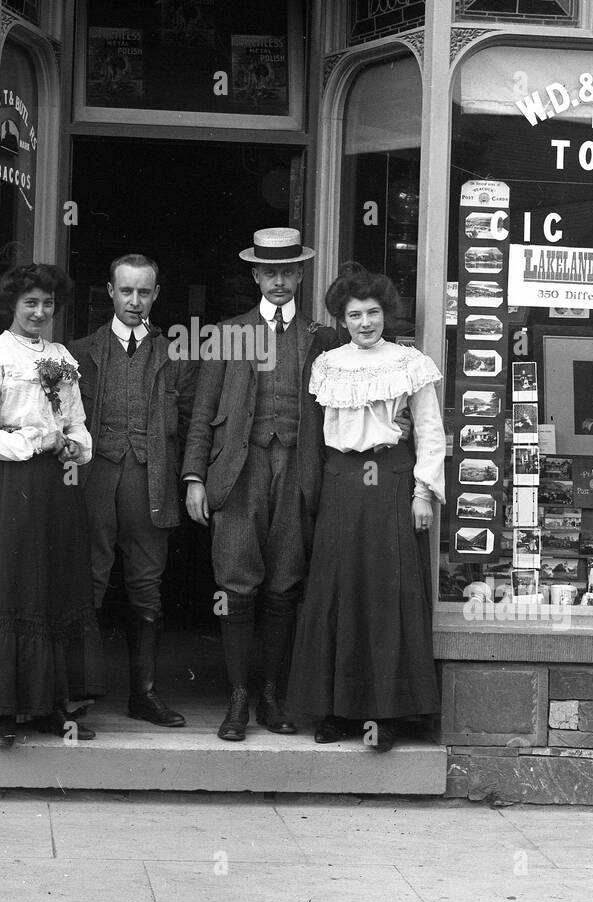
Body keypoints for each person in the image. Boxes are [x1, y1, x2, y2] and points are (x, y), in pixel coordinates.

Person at [182, 227, 338, 741]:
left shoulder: (323, 338)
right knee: (236, 584)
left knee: (284, 585)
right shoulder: (228, 333)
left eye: (288, 271)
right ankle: (238, 698)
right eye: (269, 271)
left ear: (300, 274)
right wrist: (194, 478)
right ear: (255, 274)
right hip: (238, 473)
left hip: (297, 470)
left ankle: (272, 695)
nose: (279, 280)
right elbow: (202, 413)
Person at [285, 263, 444, 752]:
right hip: (342, 482)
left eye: (373, 312)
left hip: (392, 481)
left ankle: (384, 714)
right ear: (342, 318)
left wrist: (423, 492)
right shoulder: (328, 364)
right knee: (338, 590)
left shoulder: (409, 362)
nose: (365, 322)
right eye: (355, 314)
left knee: (385, 594)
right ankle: (336, 709)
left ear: (385, 314)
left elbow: (430, 431)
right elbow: (317, 435)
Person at [0, 262, 105, 748]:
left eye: (47, 304)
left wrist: (74, 446)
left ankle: (50, 707)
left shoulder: (61, 356)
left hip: (59, 487)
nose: (40, 312)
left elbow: (77, 422)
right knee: (13, 584)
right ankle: (1, 712)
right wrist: (28, 444)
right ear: (13, 305)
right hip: (12, 481)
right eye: (30, 304)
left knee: (55, 585)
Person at [70, 254, 196, 727]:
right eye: (126, 291)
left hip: (152, 480)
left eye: (144, 292)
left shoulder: (175, 354)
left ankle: (144, 694)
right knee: (90, 581)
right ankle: (79, 694)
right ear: (110, 291)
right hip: (95, 478)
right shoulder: (80, 351)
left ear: (156, 294)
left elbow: (189, 423)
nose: (135, 301)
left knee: (147, 588)